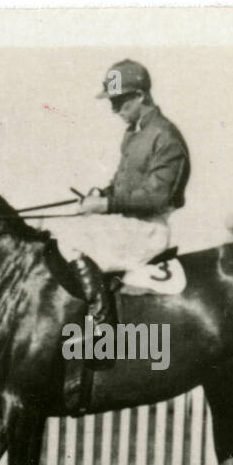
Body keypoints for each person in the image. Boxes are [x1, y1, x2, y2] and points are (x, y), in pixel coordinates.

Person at [59, 59, 191, 328]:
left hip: (148, 230)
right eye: (112, 102)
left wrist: (105, 204)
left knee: (72, 239)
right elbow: (122, 185)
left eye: (120, 102)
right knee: (64, 228)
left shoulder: (166, 136)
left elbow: (157, 197)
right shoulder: (133, 134)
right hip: (128, 222)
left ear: (140, 95)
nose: (114, 109)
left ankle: (101, 323)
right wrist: (100, 194)